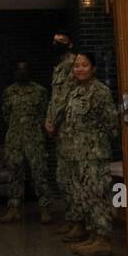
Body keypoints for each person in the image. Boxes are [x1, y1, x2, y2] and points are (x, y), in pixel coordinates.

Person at [60, 51, 120, 256]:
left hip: (94, 153)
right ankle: (93, 235)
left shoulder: (100, 91)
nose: (80, 69)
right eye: (76, 65)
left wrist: (99, 142)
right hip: (77, 153)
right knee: (84, 196)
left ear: (93, 68)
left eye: (84, 65)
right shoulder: (75, 92)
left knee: (97, 195)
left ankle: (103, 239)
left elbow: (112, 123)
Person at [0, 61, 53, 224]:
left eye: (24, 69)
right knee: (14, 173)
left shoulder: (40, 91)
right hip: (14, 139)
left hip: (34, 138)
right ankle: (14, 208)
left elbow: (45, 114)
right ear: (15, 72)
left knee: (39, 173)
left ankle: (44, 209)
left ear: (29, 72)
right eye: (18, 69)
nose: (21, 72)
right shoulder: (9, 92)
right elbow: (6, 115)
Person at [44, 33, 78, 236]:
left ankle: (78, 222)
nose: (56, 44)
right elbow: (55, 97)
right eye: (54, 40)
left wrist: (53, 120)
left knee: (72, 177)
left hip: (69, 128)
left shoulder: (73, 63)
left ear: (70, 43)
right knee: (63, 176)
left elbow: (65, 97)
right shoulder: (58, 66)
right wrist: (49, 120)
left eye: (61, 41)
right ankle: (72, 219)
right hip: (60, 130)